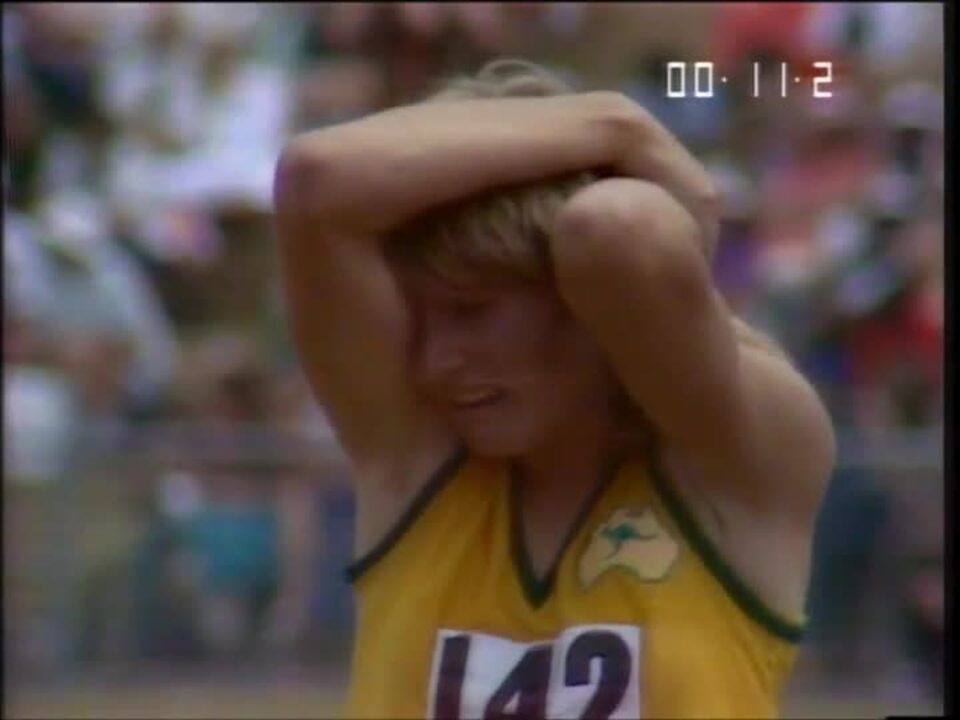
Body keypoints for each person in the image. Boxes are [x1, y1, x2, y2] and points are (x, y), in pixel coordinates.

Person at [273, 59, 835, 719]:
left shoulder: (736, 456)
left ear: (577, 295)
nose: (433, 362)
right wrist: (616, 127)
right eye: (419, 322)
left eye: (471, 311)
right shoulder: (418, 466)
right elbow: (316, 180)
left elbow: (616, 228)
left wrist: (618, 141)